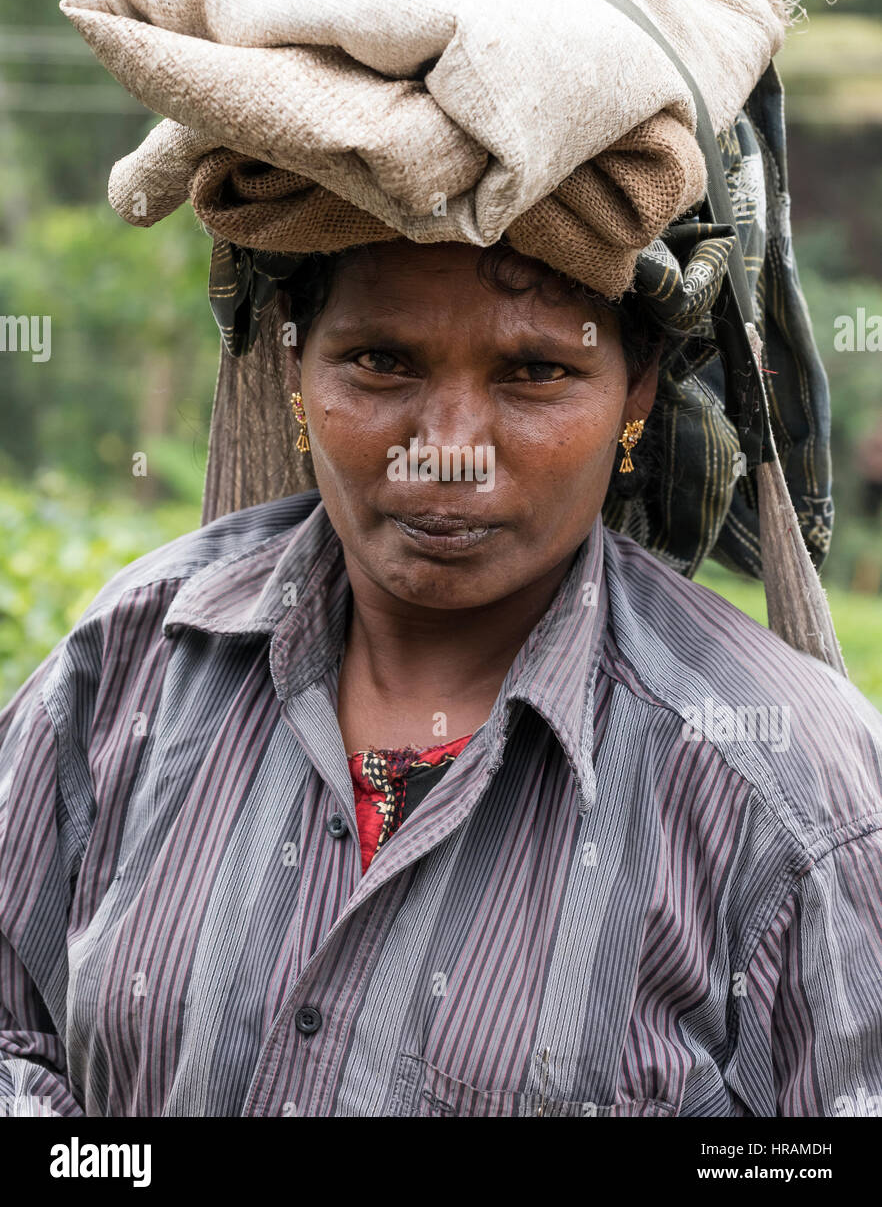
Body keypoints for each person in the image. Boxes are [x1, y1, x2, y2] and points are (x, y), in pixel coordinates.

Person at [1, 234, 881, 1118]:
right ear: (296, 365)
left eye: (535, 370)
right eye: (382, 362)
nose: (449, 450)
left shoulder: (789, 792)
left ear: (636, 395)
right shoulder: (134, 657)